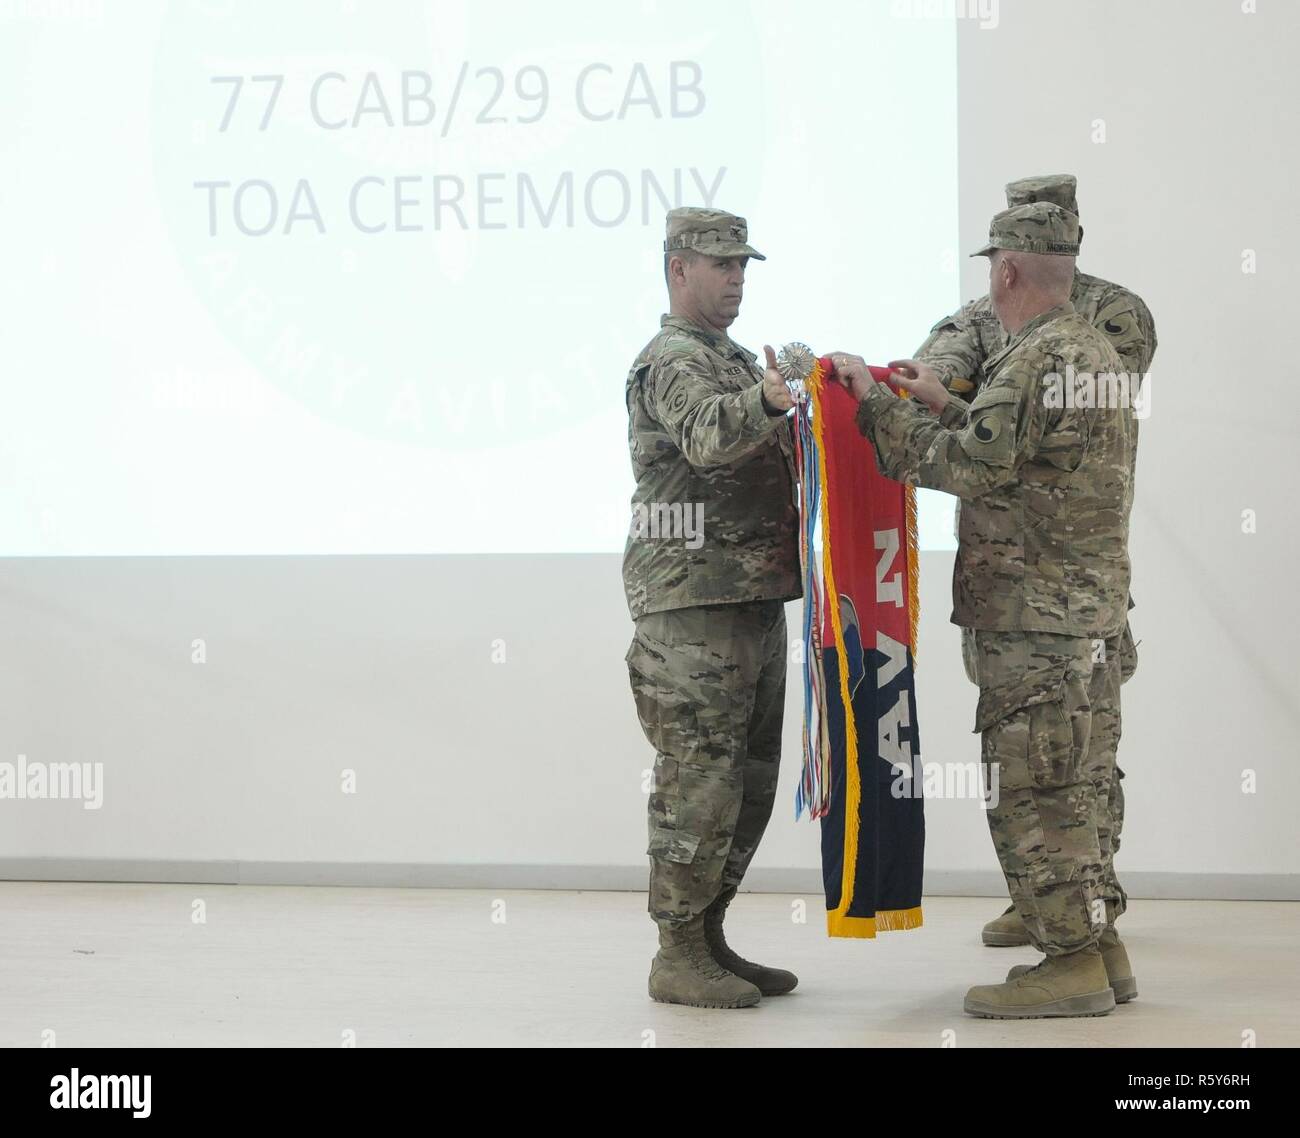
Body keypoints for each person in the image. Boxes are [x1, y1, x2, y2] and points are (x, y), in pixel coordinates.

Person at [832, 202, 1138, 1017]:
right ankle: (1100, 945)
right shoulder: (1094, 350)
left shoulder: (1034, 356)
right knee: (1076, 781)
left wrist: (876, 404)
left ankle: (1068, 963)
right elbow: (1028, 459)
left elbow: (966, 467)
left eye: (990, 268)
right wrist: (941, 399)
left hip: (1032, 617)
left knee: (1034, 789)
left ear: (1006, 269)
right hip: (1085, 612)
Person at [915, 175, 1155, 956]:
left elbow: (999, 445)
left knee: (1054, 770)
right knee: (1063, 766)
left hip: (1044, 595)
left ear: (1009, 261)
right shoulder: (1035, 331)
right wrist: (962, 402)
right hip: (1057, 588)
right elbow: (952, 379)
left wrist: (905, 413)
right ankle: (1062, 911)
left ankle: (1074, 931)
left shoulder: (1092, 324)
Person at [623, 206, 801, 1008]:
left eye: (742, 266)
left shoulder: (730, 359)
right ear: (677, 268)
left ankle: (710, 935)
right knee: (699, 780)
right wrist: (768, 400)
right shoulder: (673, 361)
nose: (735, 278)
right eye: (720, 264)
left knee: (750, 781)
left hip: (754, 597)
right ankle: (677, 952)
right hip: (692, 607)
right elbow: (705, 436)